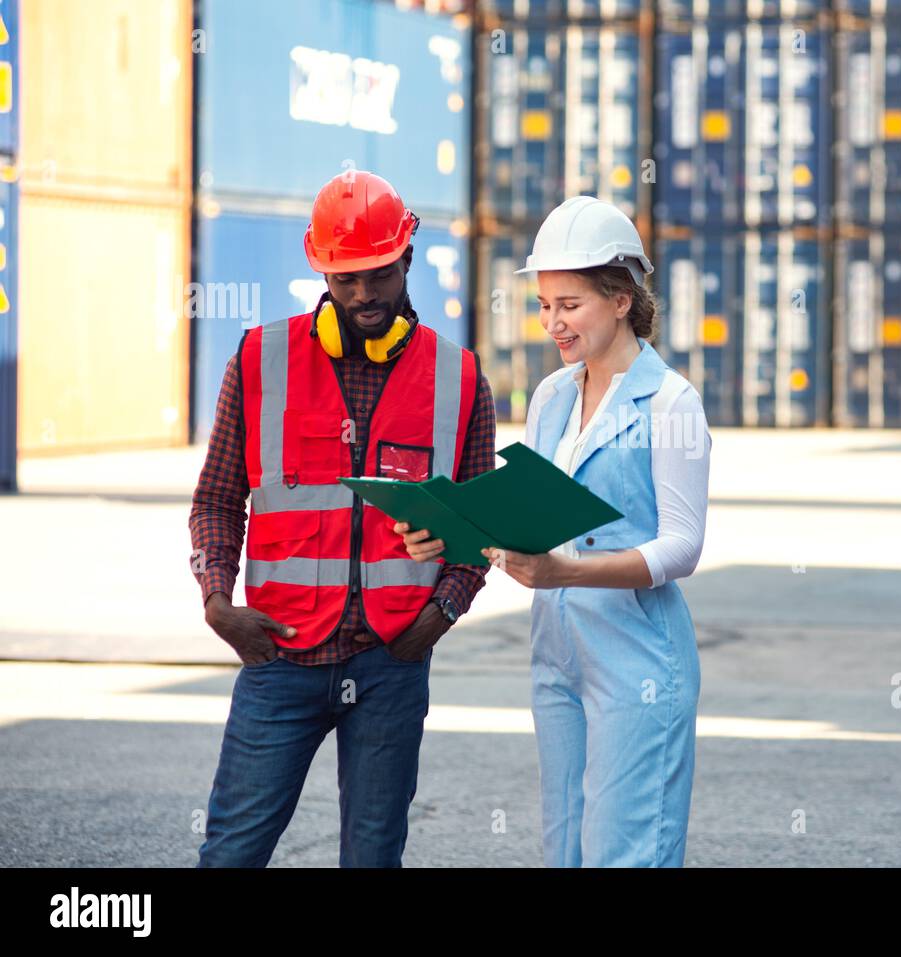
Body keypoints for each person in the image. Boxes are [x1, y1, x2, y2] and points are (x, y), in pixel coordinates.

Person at [189, 170, 496, 867]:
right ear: (320, 269)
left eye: (379, 274)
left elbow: (474, 530)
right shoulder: (259, 359)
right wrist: (216, 602)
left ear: (407, 258)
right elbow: (215, 497)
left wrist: (440, 614)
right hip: (279, 655)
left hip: (392, 661)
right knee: (232, 851)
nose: (363, 294)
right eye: (345, 277)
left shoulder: (460, 379)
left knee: (372, 855)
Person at [402, 195, 711, 867]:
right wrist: (453, 532)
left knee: (623, 852)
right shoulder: (550, 399)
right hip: (557, 654)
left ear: (622, 297)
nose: (551, 323)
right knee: (565, 849)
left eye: (569, 304)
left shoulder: (671, 403)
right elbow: (527, 521)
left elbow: (683, 545)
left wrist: (566, 571)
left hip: (638, 661)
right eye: (544, 305)